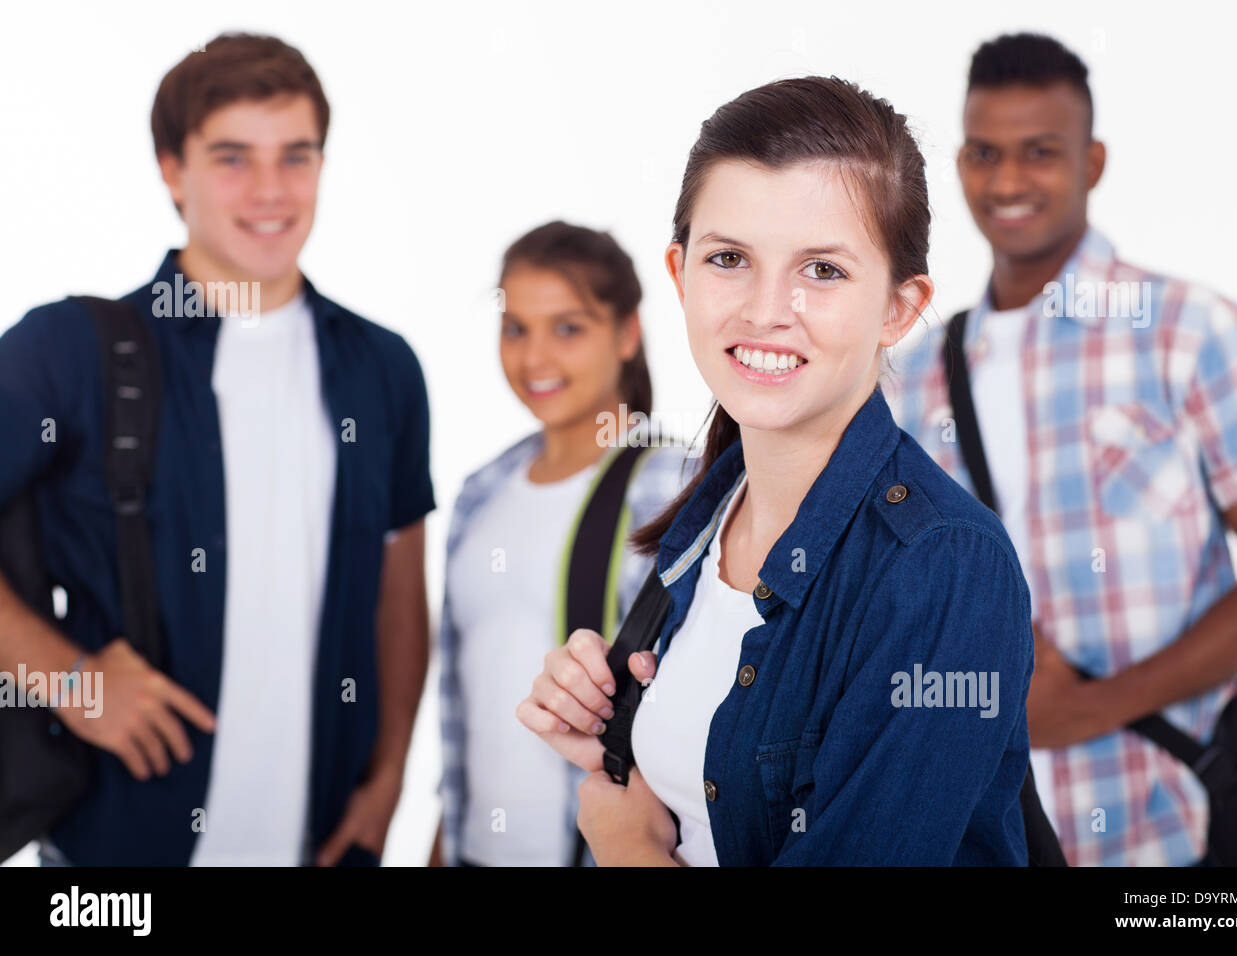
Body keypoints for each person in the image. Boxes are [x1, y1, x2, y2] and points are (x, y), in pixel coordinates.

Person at [517, 76, 1036, 865]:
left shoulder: (943, 569)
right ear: (679, 271)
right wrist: (605, 736)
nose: (766, 310)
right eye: (729, 258)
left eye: (822, 271)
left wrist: (629, 854)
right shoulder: (709, 512)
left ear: (899, 307)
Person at [0, 32, 435, 866]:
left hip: (325, 842)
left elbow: (398, 589)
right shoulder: (70, 348)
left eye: (296, 156)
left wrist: (387, 787)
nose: (271, 192)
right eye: (233, 157)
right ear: (171, 169)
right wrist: (68, 678)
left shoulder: (383, 368)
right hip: (117, 859)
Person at [885, 33, 1237, 866]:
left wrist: (1095, 706)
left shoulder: (1189, 332)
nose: (1007, 182)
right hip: (964, 830)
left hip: (1154, 833)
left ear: (1093, 161)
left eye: (1040, 153)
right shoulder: (913, 372)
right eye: (984, 153)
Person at [431, 221, 698, 867]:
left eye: (568, 328)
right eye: (516, 327)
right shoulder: (480, 493)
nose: (535, 359)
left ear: (627, 332)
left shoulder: (676, 483)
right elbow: (470, 694)